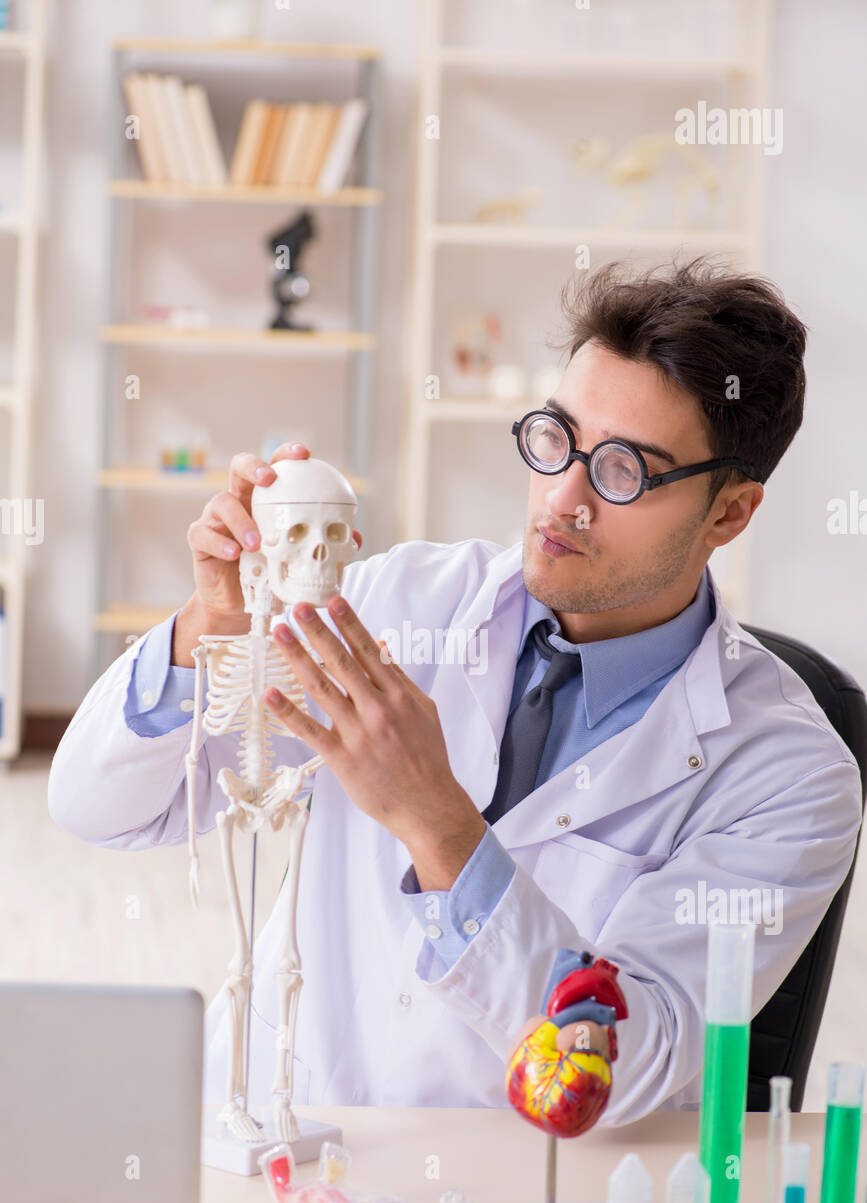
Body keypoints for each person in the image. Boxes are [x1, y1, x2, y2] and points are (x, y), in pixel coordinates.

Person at [48, 258, 862, 1124]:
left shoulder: (790, 773)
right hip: (281, 1134)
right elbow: (103, 808)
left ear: (728, 514)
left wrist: (439, 827)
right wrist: (209, 629)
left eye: (624, 471)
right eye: (556, 437)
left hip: (515, 1200)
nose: (563, 499)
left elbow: (625, 1071)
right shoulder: (397, 604)